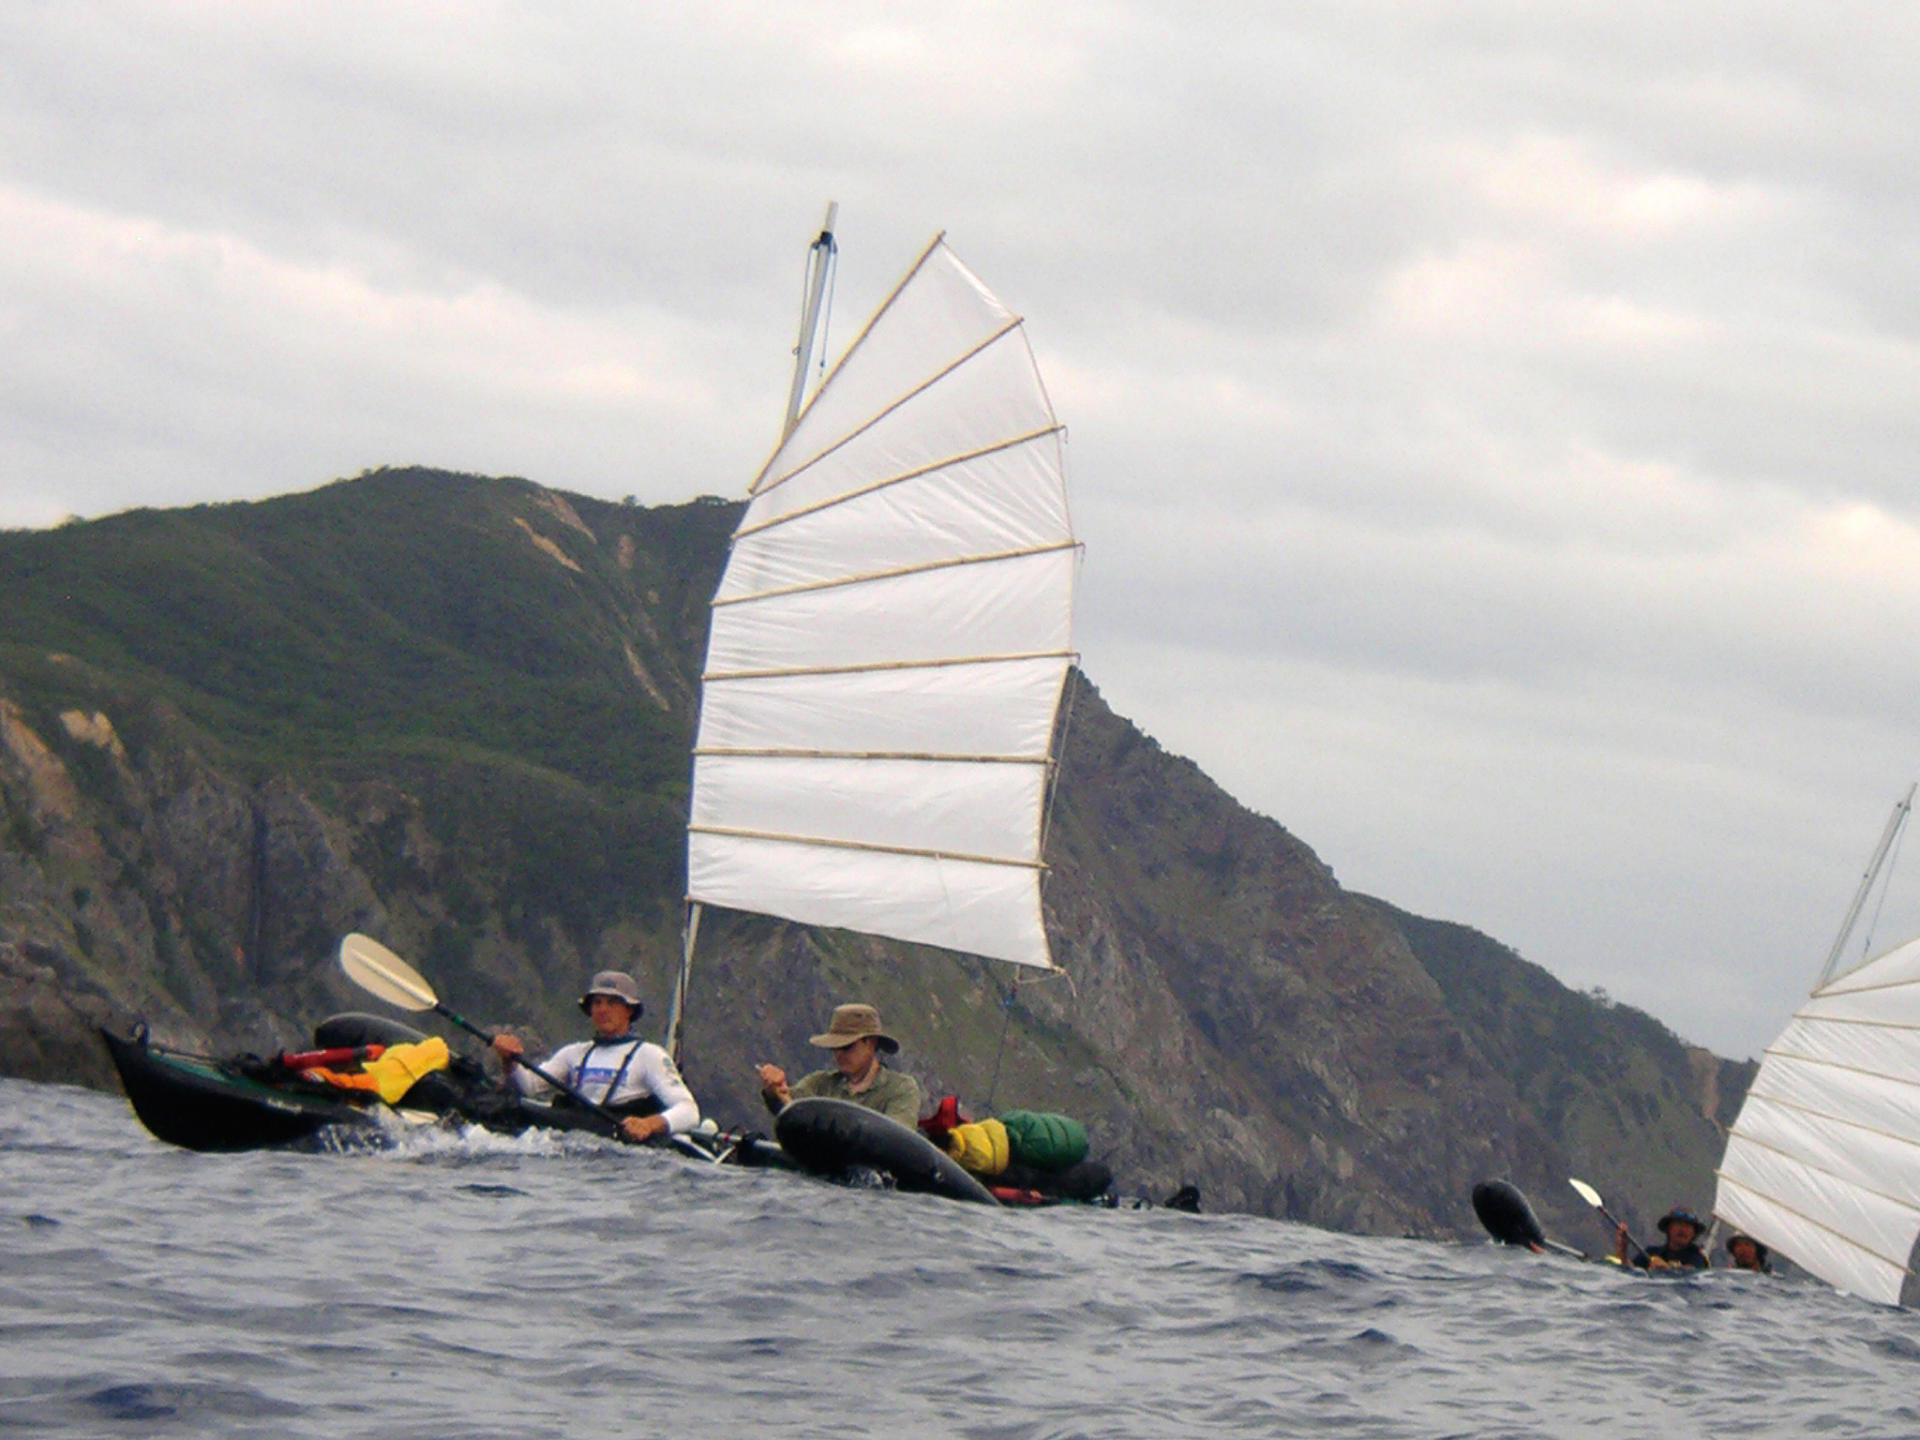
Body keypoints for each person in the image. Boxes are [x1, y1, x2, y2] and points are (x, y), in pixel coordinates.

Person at [490, 971, 698, 1143]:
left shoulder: (649, 1055)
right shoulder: (574, 1053)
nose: (602, 1009)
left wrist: (648, 1124)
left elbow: (689, 1111)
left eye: (612, 1003)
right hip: (577, 1143)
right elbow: (529, 1087)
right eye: (597, 1003)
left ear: (629, 1010)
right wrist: (510, 1060)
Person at [756, 1003, 921, 1127]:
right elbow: (790, 1106)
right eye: (834, 1047)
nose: (838, 1054)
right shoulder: (819, 1084)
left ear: (870, 1043)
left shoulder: (900, 1088)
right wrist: (774, 1090)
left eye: (846, 1046)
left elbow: (896, 1136)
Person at [1616, 1205, 1710, 1271]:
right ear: (1668, 1228)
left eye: (1688, 1226)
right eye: (1678, 1224)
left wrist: (1666, 1268)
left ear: (1694, 1233)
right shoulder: (1651, 1252)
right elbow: (1629, 1271)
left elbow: (1692, 1273)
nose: (1683, 1229)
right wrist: (1623, 1250)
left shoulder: (1698, 1258)